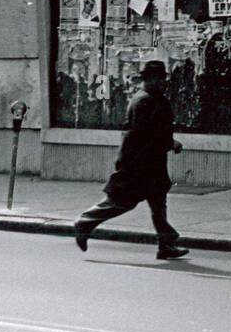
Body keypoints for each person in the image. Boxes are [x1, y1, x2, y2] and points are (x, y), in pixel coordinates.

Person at [74, 59, 189, 260]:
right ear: (150, 79)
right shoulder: (144, 101)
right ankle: (85, 222)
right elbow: (145, 135)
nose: (164, 82)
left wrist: (168, 143)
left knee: (158, 204)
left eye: (164, 78)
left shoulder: (153, 98)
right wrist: (171, 144)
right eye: (160, 78)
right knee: (122, 202)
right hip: (139, 165)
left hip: (151, 164)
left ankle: (166, 243)